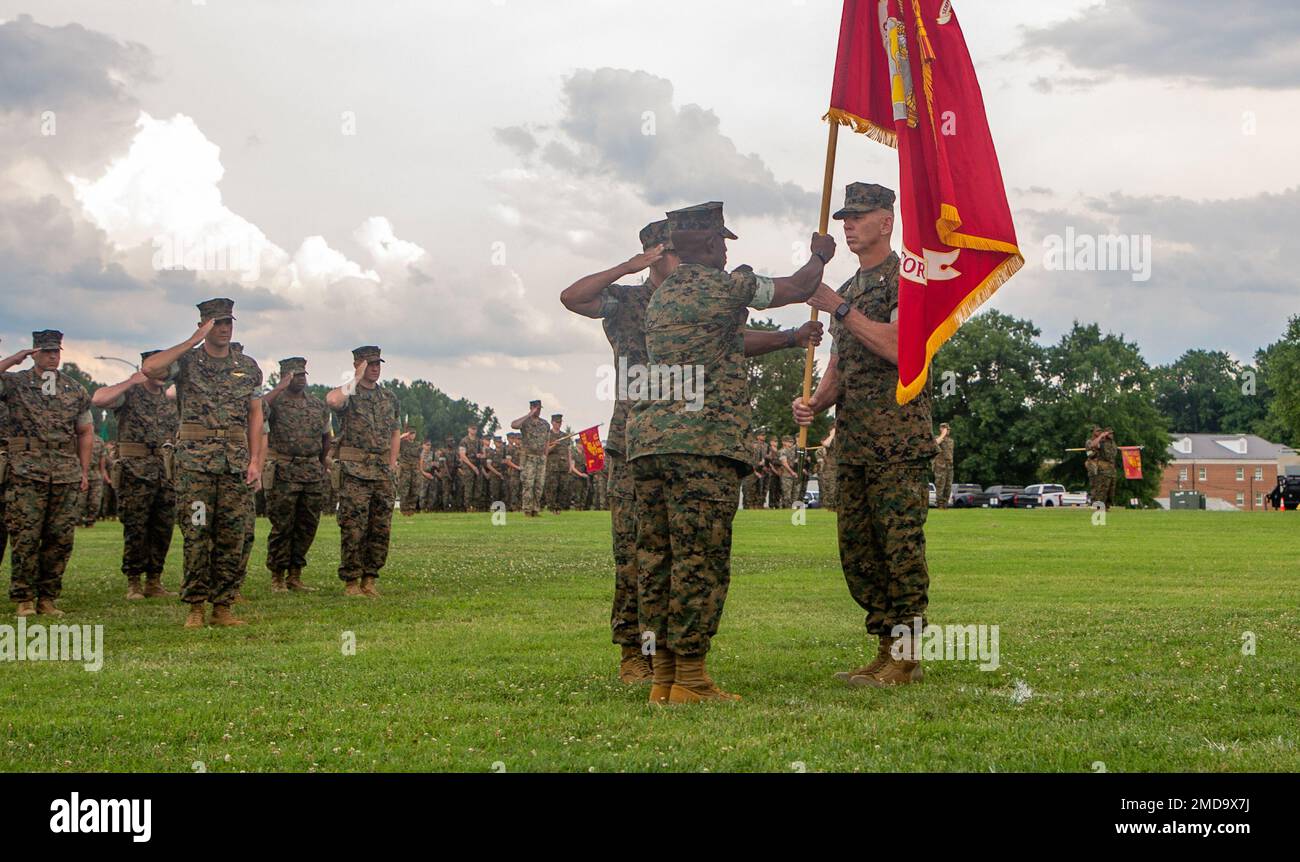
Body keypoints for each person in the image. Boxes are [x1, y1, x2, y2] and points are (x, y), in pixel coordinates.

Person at [629, 200, 834, 703]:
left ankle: (663, 679)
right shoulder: (719, 285)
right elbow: (795, 288)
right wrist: (820, 257)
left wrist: (788, 339)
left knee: (659, 558)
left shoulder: (664, 297)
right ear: (701, 243)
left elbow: (731, 341)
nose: (725, 248)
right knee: (700, 559)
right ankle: (692, 680)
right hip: (701, 446)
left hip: (651, 444)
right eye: (720, 239)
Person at [792, 181, 937, 687]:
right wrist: (815, 401)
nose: (848, 225)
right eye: (844, 218)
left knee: (899, 547)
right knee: (859, 551)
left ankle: (909, 656)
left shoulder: (908, 280)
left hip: (897, 442)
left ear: (886, 221)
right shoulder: (851, 289)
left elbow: (900, 350)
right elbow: (841, 363)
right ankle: (884, 648)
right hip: (854, 442)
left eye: (858, 216)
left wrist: (839, 309)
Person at [143, 299, 263, 627]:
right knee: (197, 532)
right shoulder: (187, 362)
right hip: (195, 466)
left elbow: (255, 415)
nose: (224, 329)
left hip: (233, 464)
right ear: (205, 325)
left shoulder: (248, 367)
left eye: (228, 323)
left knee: (231, 535)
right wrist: (192, 340)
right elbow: (150, 369)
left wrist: (255, 461)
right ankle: (195, 606)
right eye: (217, 323)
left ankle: (222, 606)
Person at [0, 331, 94, 617]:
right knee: (26, 536)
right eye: (46, 351)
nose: (53, 356)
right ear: (35, 353)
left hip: (65, 470)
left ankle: (48, 598)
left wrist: (84, 470)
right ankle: (24, 598)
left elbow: (85, 431)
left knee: (60, 538)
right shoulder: (16, 384)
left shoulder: (74, 390)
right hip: (26, 470)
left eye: (56, 352)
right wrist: (13, 361)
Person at [92, 354, 180, 599]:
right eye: (159, 368)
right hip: (135, 472)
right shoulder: (128, 394)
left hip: (165, 472)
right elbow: (98, 399)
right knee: (136, 528)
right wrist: (131, 381)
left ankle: (154, 581)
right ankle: (133, 582)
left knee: (162, 528)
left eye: (166, 368)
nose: (164, 373)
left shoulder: (170, 398)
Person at [326, 346, 400, 597]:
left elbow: (394, 432)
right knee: (353, 527)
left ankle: (370, 579)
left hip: (381, 472)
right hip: (355, 471)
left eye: (379, 363)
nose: (376, 368)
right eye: (370, 364)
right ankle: (351, 581)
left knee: (380, 528)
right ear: (358, 365)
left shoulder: (389, 398)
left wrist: (392, 464)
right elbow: (333, 401)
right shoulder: (349, 394)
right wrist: (355, 378)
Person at [262, 357, 331, 592]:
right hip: (284, 471)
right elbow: (256, 410)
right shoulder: (275, 403)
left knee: (307, 525)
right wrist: (279, 387)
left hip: (311, 472)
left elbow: (326, 437)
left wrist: (322, 464)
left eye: (303, 375)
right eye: (295, 375)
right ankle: (277, 576)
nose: (300, 379)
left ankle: (295, 575)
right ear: (285, 376)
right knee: (282, 525)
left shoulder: (317, 405)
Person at [511, 401, 549, 516]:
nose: (538, 411)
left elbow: (547, 440)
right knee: (528, 484)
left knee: (539, 484)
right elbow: (514, 425)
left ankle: (535, 509)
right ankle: (527, 509)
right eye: (536, 408)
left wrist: (545, 455)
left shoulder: (545, 424)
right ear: (531, 408)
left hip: (541, 457)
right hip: (529, 457)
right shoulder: (525, 422)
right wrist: (529, 414)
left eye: (539, 409)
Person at [542, 413, 570, 513]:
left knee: (563, 487)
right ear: (552, 422)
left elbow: (568, 451)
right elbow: (545, 451)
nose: (559, 424)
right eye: (557, 422)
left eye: (560, 422)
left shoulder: (565, 436)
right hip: (551, 467)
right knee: (551, 487)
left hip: (563, 466)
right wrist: (553, 445)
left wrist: (570, 464)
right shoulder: (547, 435)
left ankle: (559, 507)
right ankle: (551, 507)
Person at [1087, 426, 1118, 509]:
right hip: (1099, 467)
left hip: (1111, 468)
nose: (1111, 435)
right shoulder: (1100, 442)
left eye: (1112, 433)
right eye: (1109, 433)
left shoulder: (1112, 443)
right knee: (1100, 488)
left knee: (1111, 489)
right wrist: (1101, 436)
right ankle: (1098, 505)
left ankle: (1107, 505)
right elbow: (1090, 450)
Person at [396, 426, 422, 516]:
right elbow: (393, 443)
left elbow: (420, 458)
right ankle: (404, 509)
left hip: (415, 470)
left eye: (414, 433)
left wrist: (420, 469)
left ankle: (411, 509)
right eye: (410, 433)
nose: (412, 435)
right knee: (404, 490)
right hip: (405, 470)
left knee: (414, 489)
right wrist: (402, 436)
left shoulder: (418, 444)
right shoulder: (402, 443)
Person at [932, 423, 954, 509]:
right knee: (940, 485)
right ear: (941, 429)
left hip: (949, 466)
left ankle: (945, 505)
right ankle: (940, 506)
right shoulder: (938, 438)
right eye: (945, 429)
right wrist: (943, 434)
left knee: (948, 486)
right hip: (940, 466)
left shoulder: (951, 440)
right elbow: (935, 444)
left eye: (948, 429)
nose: (947, 431)